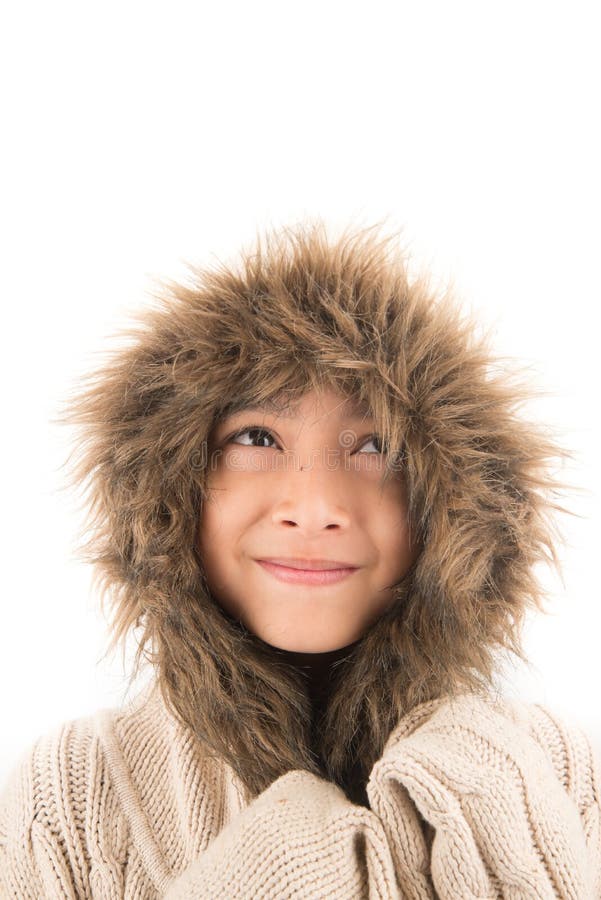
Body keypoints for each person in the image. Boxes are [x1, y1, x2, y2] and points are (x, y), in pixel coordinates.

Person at [1, 219, 599, 898]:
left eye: (376, 447)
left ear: (450, 506)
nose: (314, 505)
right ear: (169, 491)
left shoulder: (555, 772)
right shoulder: (73, 789)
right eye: (256, 437)